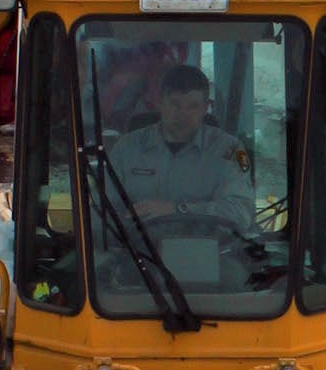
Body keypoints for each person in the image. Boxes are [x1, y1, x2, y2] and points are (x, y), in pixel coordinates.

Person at [108, 59, 256, 238]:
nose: (183, 115)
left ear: (205, 108)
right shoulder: (126, 148)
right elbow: (100, 210)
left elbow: (241, 213)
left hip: (210, 253)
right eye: (175, 104)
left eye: (192, 106)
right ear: (159, 103)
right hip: (138, 253)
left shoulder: (231, 150)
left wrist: (178, 209)